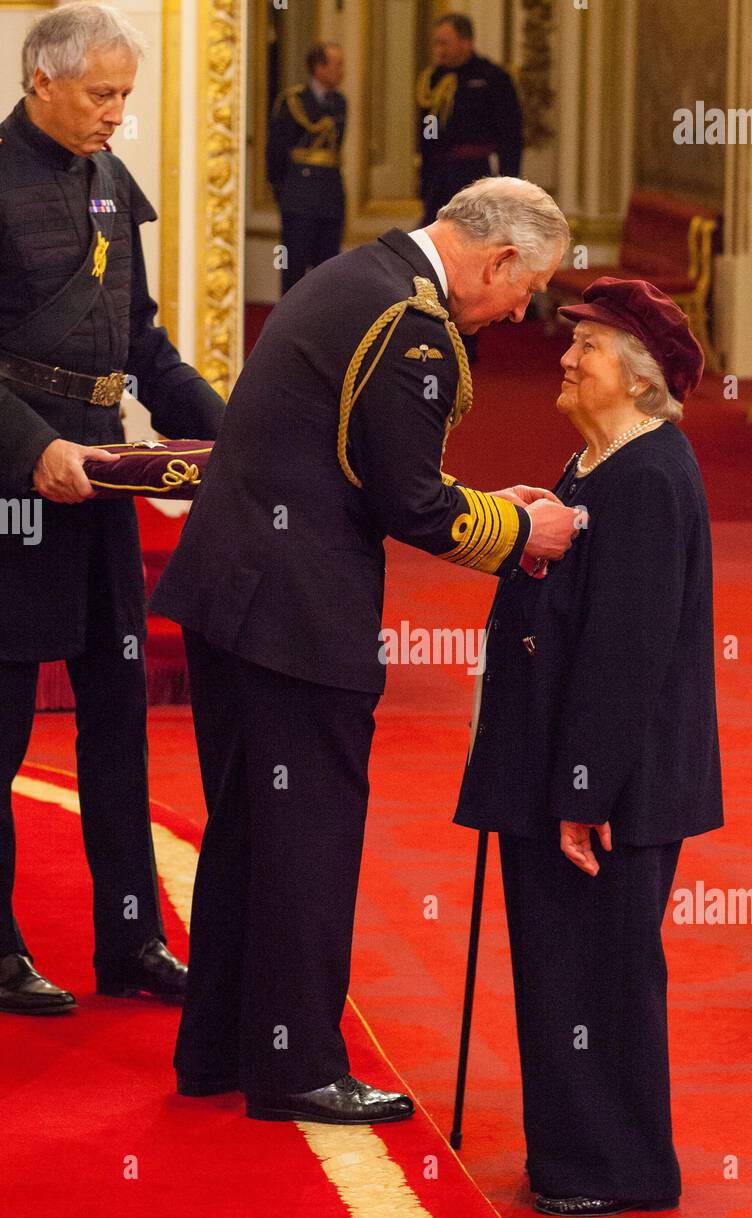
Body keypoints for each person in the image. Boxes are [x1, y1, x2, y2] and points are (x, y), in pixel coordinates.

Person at [150, 178, 579, 1124]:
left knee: (248, 835)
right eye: (528, 288)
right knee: (308, 842)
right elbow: (410, 504)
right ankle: (298, 1067)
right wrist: (518, 537)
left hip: (234, 595)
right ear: (499, 257)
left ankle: (219, 1046)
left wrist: (486, 503)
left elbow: (372, 459)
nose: (521, 311)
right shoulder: (414, 325)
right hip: (293, 617)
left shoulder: (362, 273)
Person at [455, 278, 724, 1215]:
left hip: (613, 792)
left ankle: (614, 1167)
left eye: (591, 349)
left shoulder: (648, 477)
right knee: (564, 968)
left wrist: (581, 795)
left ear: (641, 381)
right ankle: (575, 1155)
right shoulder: (594, 463)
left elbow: (626, 657)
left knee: (596, 978)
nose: (566, 360)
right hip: (571, 775)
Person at [0, 4, 225, 1017]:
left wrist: (236, 438)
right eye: (103, 95)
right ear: (39, 80)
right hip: (13, 492)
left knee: (119, 721)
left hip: (104, 490)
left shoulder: (106, 187)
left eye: (128, 95)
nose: (116, 115)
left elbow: (148, 348)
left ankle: (131, 939)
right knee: (1, 734)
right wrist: (32, 448)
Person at [416, 13, 522, 225]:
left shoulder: (493, 77)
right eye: (436, 44)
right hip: (440, 175)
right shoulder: (433, 79)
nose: (439, 50)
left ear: (466, 43)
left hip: (477, 174)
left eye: (445, 43)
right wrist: (425, 175)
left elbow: (510, 135)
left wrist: (507, 184)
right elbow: (429, 129)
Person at [266, 43, 347, 298]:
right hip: (299, 196)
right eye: (337, 65)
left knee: (328, 268)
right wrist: (283, 192)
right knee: (294, 266)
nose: (341, 71)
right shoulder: (293, 101)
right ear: (319, 67)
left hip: (330, 195)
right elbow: (276, 152)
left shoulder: (339, 102)